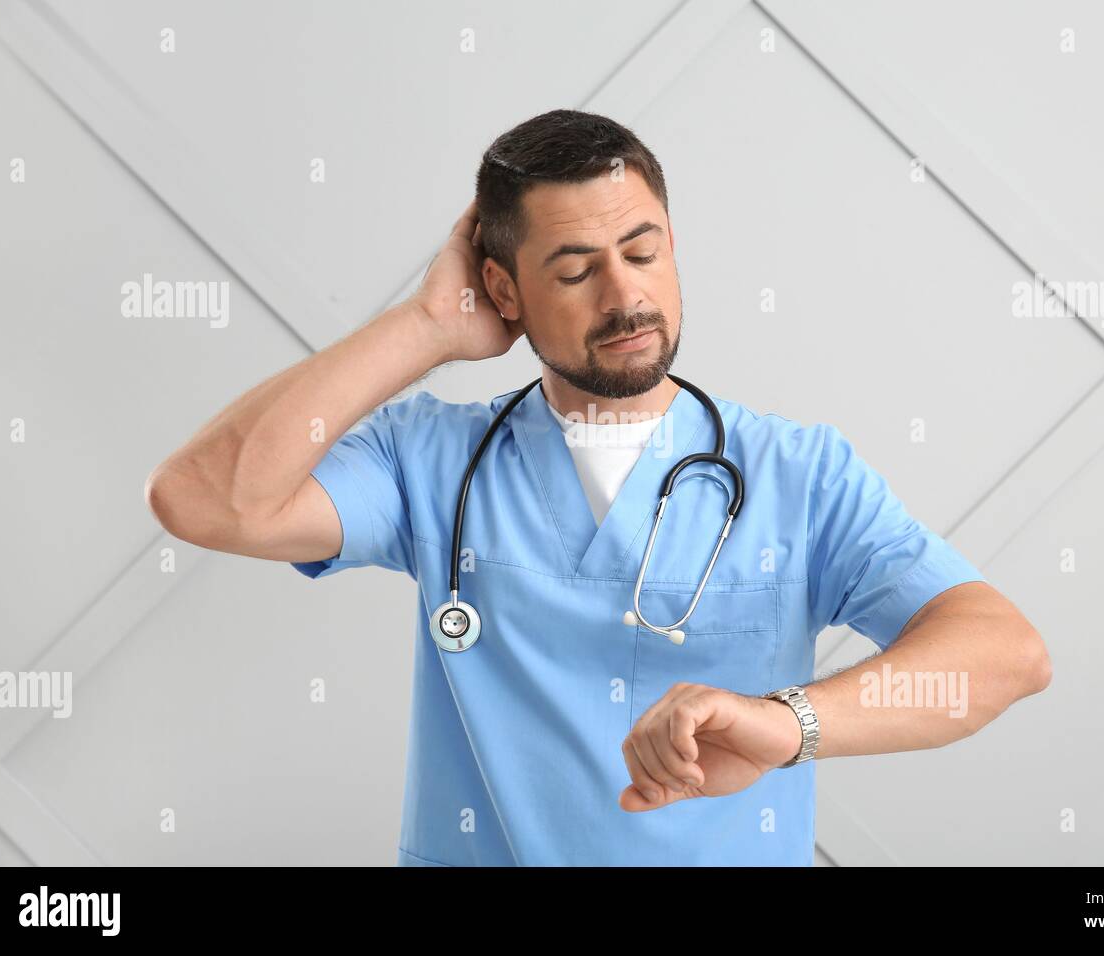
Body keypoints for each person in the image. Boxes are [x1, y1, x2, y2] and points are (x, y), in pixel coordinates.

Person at [145, 109, 1051, 866]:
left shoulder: (795, 473)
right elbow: (206, 498)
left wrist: (789, 721)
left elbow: (1005, 655)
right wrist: (424, 327)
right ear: (502, 290)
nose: (625, 297)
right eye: (574, 270)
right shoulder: (427, 461)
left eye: (643, 252)